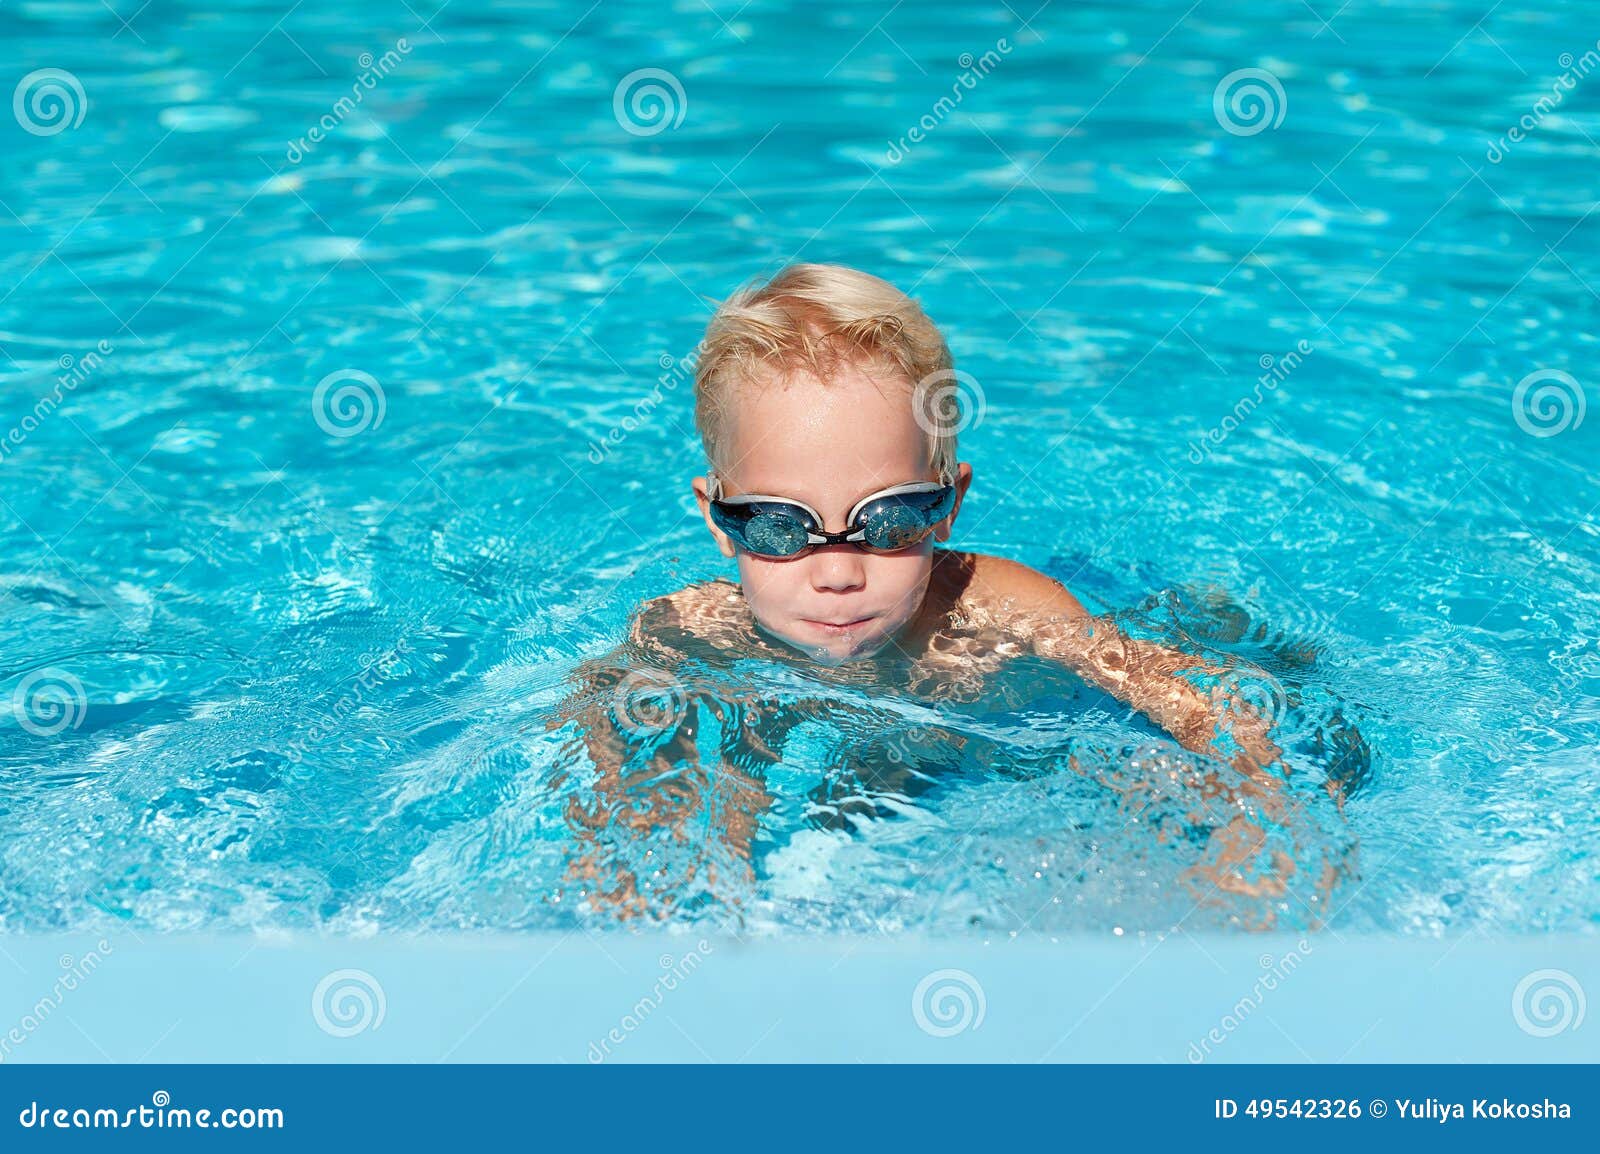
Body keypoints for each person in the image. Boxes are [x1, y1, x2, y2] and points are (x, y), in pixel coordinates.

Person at [552, 263, 1346, 924]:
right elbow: (608, 709)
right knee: (737, 770)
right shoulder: (691, 630)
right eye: (778, 527)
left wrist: (1263, 812)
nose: (837, 571)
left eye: (891, 519)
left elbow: (1191, 695)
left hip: (993, 734)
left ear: (950, 500)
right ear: (717, 517)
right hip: (843, 722)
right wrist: (633, 817)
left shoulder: (1004, 610)